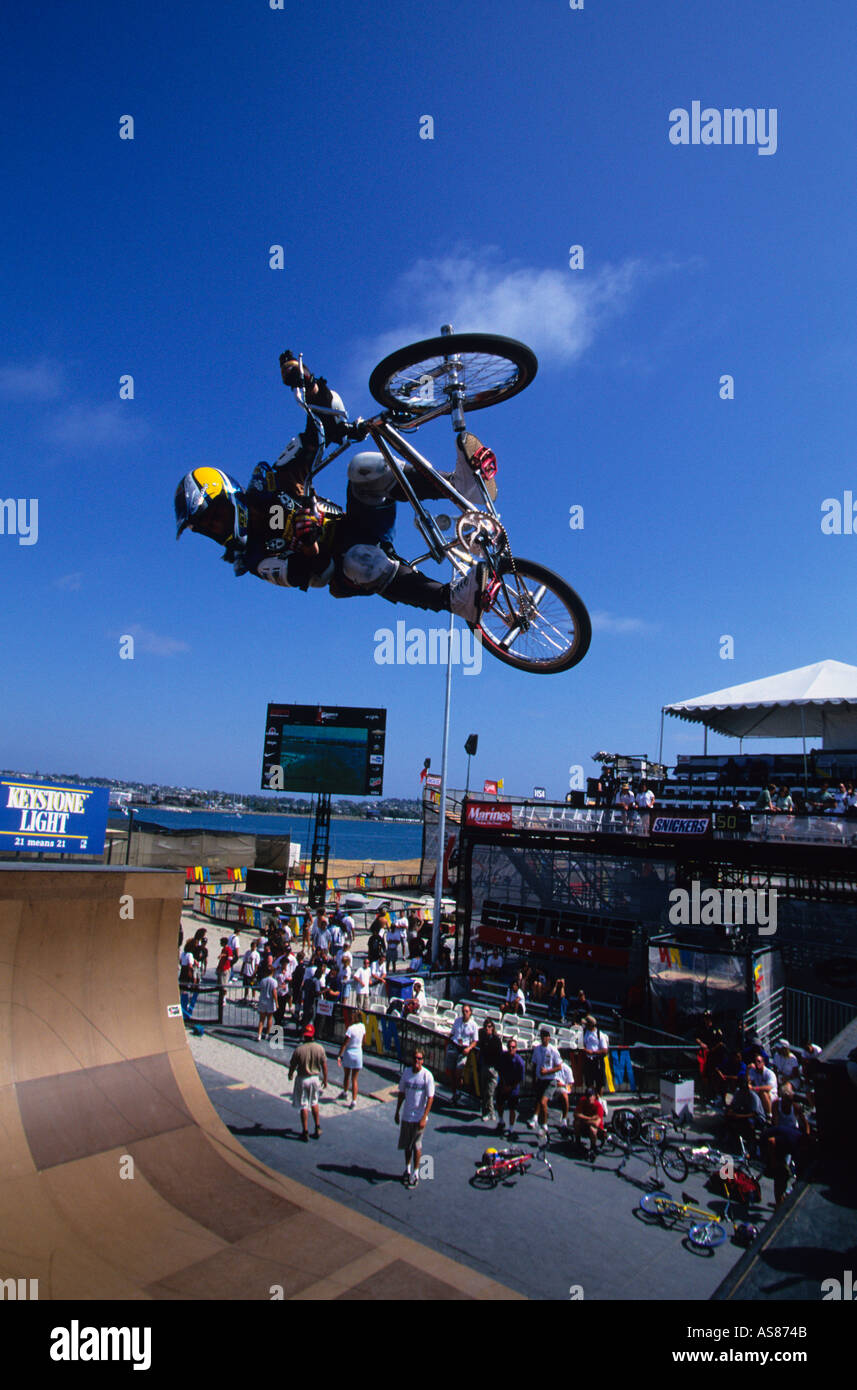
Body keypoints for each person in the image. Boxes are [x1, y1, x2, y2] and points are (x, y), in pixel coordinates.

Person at [174, 351, 499, 624]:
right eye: (207, 529)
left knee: (363, 466)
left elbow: (323, 427)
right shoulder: (257, 557)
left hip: (359, 524)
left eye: (213, 516)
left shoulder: (276, 483)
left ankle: (460, 486)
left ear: (228, 495)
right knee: (359, 560)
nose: (216, 528)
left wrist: (307, 381)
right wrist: (309, 545)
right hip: (343, 568)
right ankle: (454, 600)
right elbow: (314, 576)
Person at [395, 1048, 435, 1187]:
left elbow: (430, 1098)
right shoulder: (406, 1073)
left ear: (423, 1060)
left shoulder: (427, 1076)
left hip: (419, 1118)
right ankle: (407, 1169)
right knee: (407, 1145)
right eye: (415, 1058)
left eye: (419, 1059)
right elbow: (401, 1093)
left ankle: (416, 1173)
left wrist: (424, 1117)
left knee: (416, 1146)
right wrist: (397, 1111)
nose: (417, 1061)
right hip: (407, 1116)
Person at [287, 1023, 328, 1141]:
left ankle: (305, 1131)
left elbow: (292, 1065)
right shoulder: (319, 1048)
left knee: (303, 1104)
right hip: (315, 1078)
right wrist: (325, 1079)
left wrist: (290, 1074)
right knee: (314, 1102)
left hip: (303, 1078)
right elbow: (324, 1065)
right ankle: (317, 1127)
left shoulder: (299, 1049)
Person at [529, 1027, 563, 1138]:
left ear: (549, 1038)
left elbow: (559, 1067)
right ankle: (536, 1120)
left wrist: (547, 1071)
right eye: (542, 1036)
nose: (544, 1039)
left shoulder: (553, 1050)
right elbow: (534, 1065)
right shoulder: (537, 1049)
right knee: (538, 1101)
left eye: (546, 1036)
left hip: (550, 1081)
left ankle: (544, 1126)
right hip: (540, 1080)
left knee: (543, 1102)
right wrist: (534, 1079)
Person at [444, 1003, 479, 1105]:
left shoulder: (473, 1025)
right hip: (454, 1047)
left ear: (470, 1013)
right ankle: (455, 1094)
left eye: (467, 1011)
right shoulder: (457, 1021)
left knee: (458, 1073)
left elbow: (475, 1041)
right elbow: (452, 1034)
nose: (465, 1013)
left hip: (463, 1050)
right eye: (463, 1011)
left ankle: (458, 1091)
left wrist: (469, 1048)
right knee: (451, 1073)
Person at [495, 1038, 526, 1138]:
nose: (511, 1049)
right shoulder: (502, 1057)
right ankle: (501, 1121)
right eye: (509, 1047)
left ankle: (511, 1129)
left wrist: (510, 1087)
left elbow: (520, 1078)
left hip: (513, 1087)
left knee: (512, 1108)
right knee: (499, 1103)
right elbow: (499, 1070)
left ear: (516, 1048)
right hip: (503, 1083)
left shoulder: (520, 1062)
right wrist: (503, 1084)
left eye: (513, 1047)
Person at [477, 1017, 504, 1125]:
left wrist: (497, 1069)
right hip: (484, 1067)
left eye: (489, 1027)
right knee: (484, 1091)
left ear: (492, 1028)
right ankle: (485, 1112)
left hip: (493, 1069)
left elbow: (500, 1055)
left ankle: (491, 1112)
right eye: (485, 1027)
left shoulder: (497, 1040)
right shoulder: (483, 1039)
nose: (487, 1029)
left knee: (490, 1092)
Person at [337, 1015, 366, 1108]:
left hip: (349, 1052)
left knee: (347, 1075)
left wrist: (339, 1055)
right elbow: (364, 1041)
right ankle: (354, 1100)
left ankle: (345, 1092)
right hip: (358, 1053)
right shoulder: (362, 1026)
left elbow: (345, 1043)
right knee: (354, 1079)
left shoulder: (350, 1029)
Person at [573, 1088, 605, 1160]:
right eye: (588, 1096)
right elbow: (576, 1114)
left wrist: (582, 1118)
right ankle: (577, 1143)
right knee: (576, 1122)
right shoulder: (582, 1100)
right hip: (586, 1123)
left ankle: (592, 1147)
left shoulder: (598, 1106)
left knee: (592, 1128)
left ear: (594, 1097)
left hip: (598, 1129)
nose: (589, 1098)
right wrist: (590, 1118)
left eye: (591, 1096)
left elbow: (596, 1123)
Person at [582, 1015, 609, 1094]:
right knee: (589, 1082)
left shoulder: (600, 1035)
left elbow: (604, 1050)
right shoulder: (584, 1033)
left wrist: (593, 1052)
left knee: (599, 1083)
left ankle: (599, 1100)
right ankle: (591, 1098)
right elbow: (581, 1045)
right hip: (588, 1061)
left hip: (598, 1061)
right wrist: (585, 1050)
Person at [747, 1051, 778, 1118]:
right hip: (757, 1092)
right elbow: (747, 1082)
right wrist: (747, 1069)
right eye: (755, 1062)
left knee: (763, 1093)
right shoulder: (753, 1071)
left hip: (771, 1095)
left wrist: (754, 1088)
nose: (757, 1063)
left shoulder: (770, 1073)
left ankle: (769, 1115)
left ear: (763, 1063)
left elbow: (769, 1087)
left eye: (759, 1061)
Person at [255, 966, 278, 1042]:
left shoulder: (263, 980)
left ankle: (259, 1034)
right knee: (269, 1018)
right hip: (270, 1001)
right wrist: (277, 1003)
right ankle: (267, 1034)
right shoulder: (274, 981)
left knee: (261, 1019)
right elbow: (274, 992)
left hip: (262, 1000)